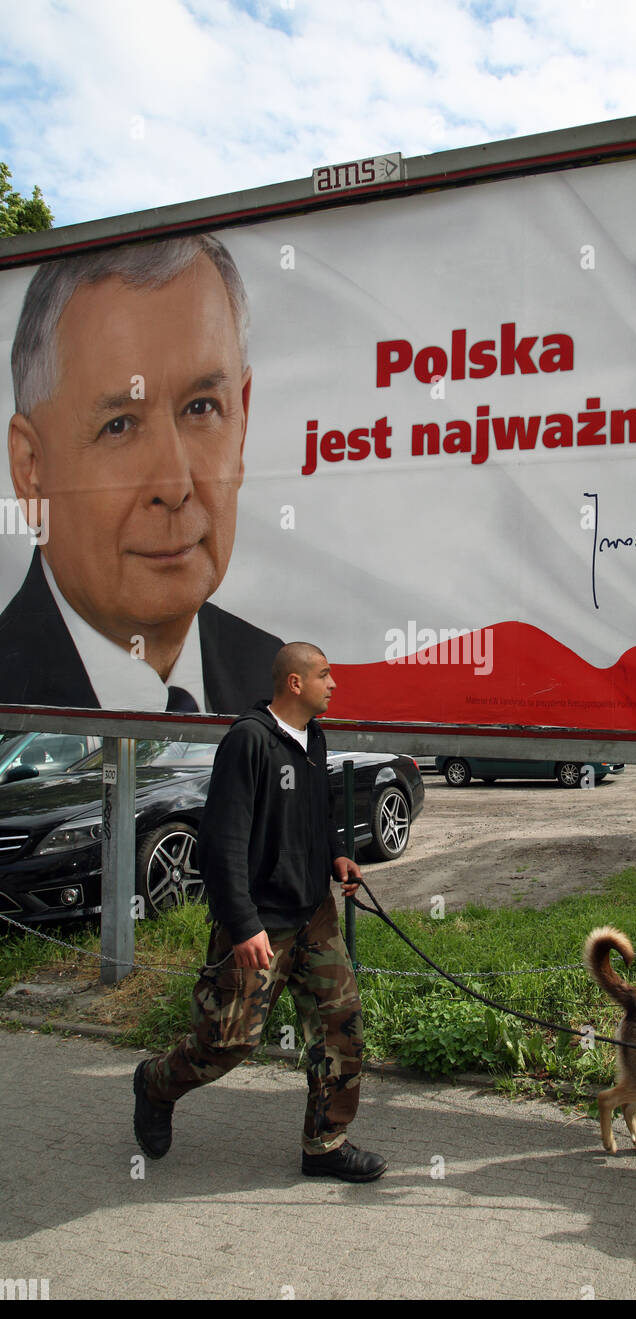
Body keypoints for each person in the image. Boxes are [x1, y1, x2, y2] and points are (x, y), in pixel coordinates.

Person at [133, 641, 387, 1182]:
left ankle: (325, 1143)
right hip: (259, 923)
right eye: (325, 675)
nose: (333, 684)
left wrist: (338, 854)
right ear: (294, 683)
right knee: (229, 1041)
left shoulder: (314, 739)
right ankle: (156, 1082)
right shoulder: (248, 742)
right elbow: (221, 843)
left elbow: (318, 814)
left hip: (314, 914)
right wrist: (243, 924)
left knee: (341, 1026)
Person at [0, 234, 281, 712]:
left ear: (243, 419)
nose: (174, 487)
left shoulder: (274, 676)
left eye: (200, 407)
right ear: (31, 470)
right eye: (119, 425)